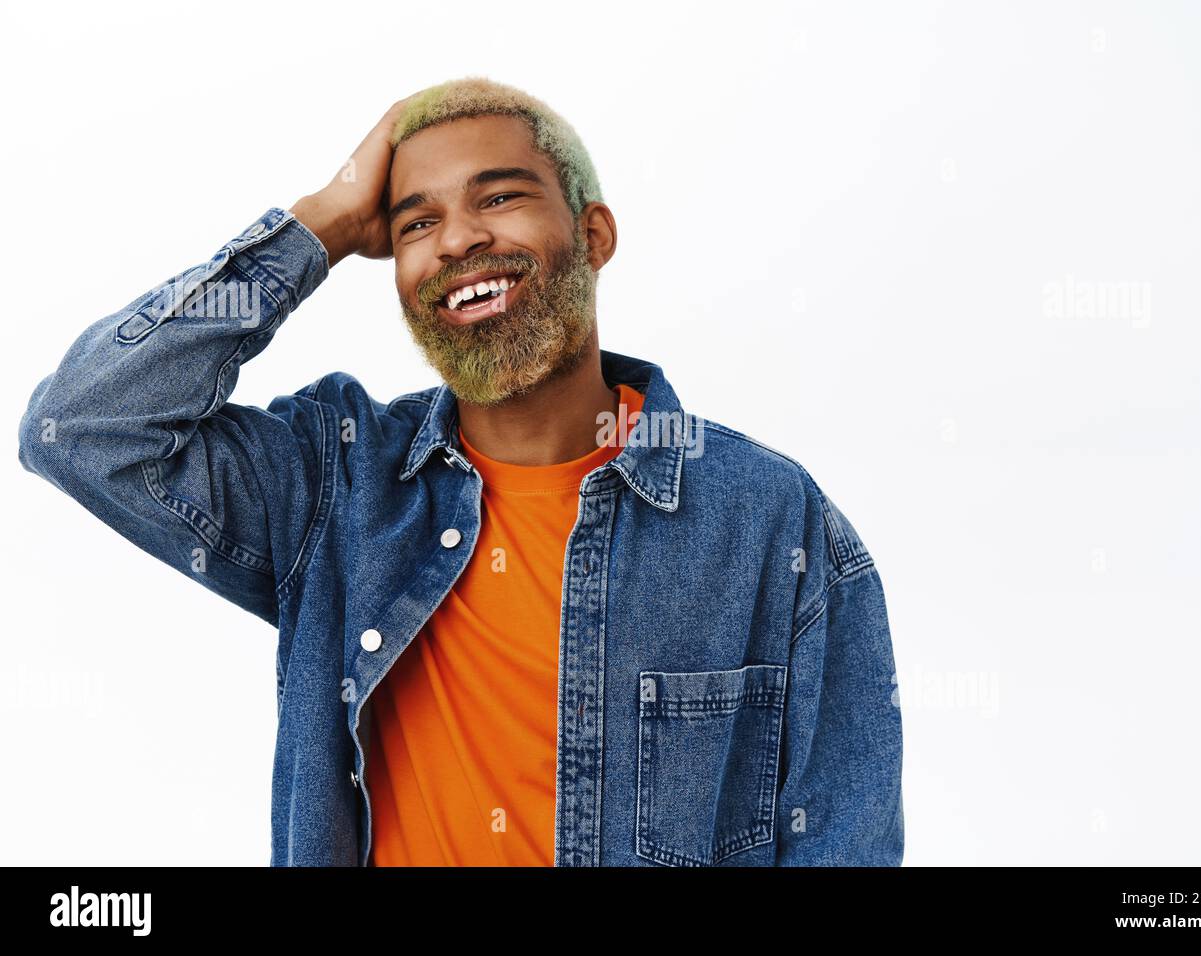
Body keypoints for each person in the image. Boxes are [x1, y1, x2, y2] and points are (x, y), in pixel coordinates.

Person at [17, 76, 903, 867]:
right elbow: (83, 427)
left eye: (501, 197)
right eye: (416, 223)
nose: (457, 241)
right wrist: (318, 225)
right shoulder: (336, 481)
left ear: (594, 234)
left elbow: (842, 840)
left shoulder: (769, 521)